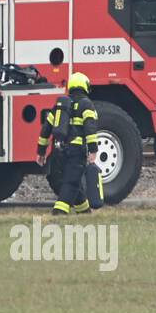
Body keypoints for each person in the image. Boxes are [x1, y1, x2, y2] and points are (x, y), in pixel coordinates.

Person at [37, 72, 102, 214]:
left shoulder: (60, 106)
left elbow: (46, 129)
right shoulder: (86, 105)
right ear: (85, 86)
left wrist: (41, 152)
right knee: (71, 181)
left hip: (58, 150)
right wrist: (93, 150)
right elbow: (90, 129)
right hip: (76, 151)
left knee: (73, 180)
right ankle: (59, 210)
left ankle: (84, 211)